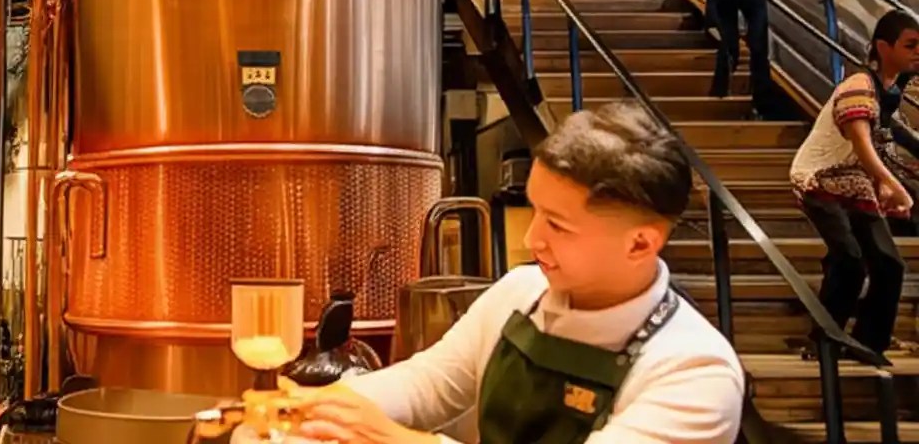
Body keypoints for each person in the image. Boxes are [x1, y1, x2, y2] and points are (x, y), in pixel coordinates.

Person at [284, 102, 745, 444]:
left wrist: (397, 440)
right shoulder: (522, 291)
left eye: (558, 225)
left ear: (640, 243)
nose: (531, 240)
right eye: (535, 211)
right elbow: (430, 382)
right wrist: (335, 404)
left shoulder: (695, 370)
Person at [790, 10, 919, 360]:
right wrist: (893, 185)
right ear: (882, 46)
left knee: (888, 264)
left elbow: (883, 138)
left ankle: (868, 343)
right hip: (818, 175)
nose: (917, 52)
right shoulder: (858, 85)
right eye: (910, 45)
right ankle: (823, 341)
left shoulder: (890, 90)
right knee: (849, 259)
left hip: (854, 179)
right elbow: (861, 141)